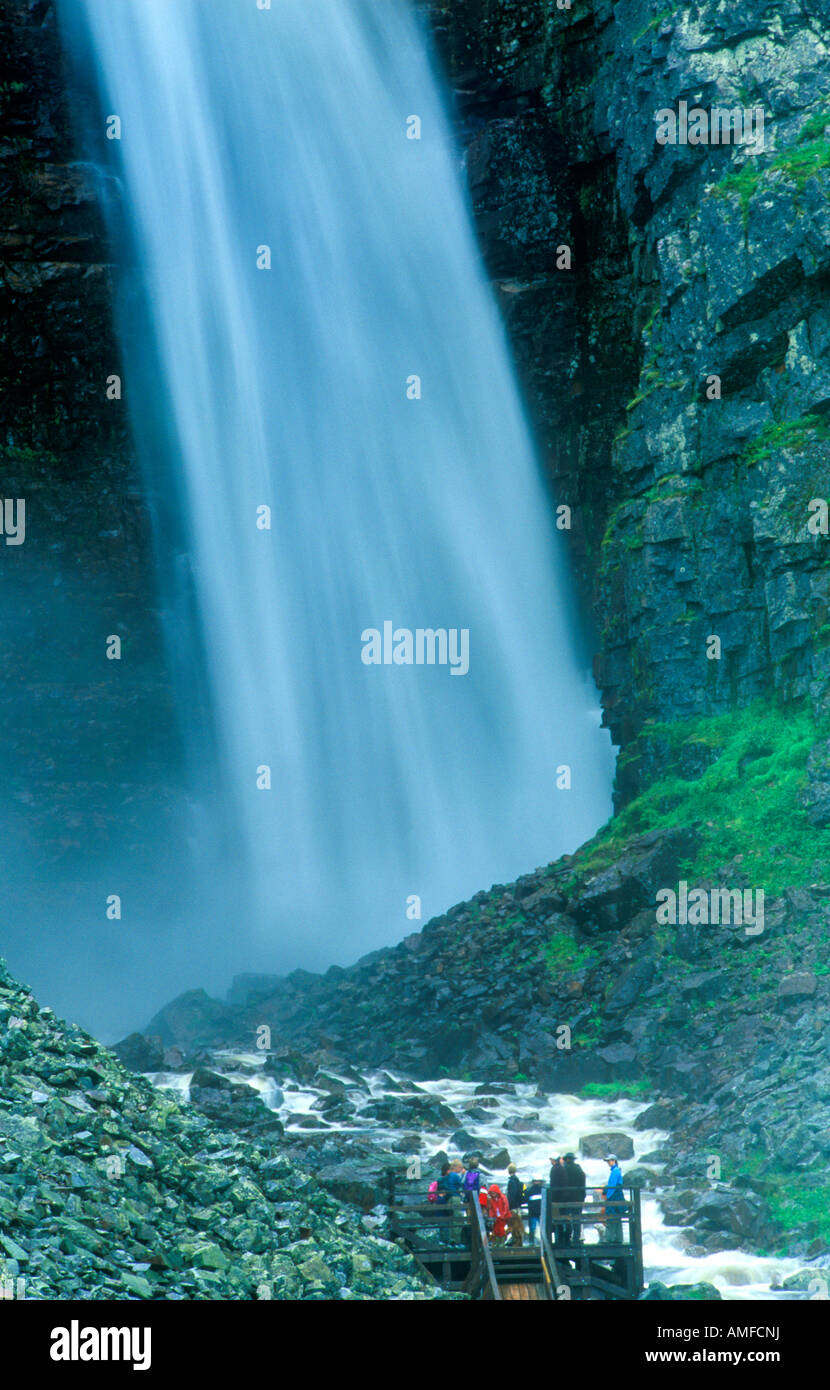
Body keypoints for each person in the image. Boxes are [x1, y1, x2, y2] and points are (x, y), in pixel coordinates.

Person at [561, 1152, 587, 1246]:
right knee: (577, 1218)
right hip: (578, 1198)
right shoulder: (578, 1169)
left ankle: (567, 1238)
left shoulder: (563, 1169)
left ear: (566, 1159)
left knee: (566, 1218)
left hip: (567, 1198)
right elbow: (583, 1183)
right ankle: (576, 1237)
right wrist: (583, 1196)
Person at [437, 1162, 465, 1244]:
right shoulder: (455, 1175)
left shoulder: (445, 1177)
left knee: (451, 1219)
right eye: (460, 1168)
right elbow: (462, 1184)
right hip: (455, 1197)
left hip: (448, 1198)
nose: (461, 1170)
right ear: (455, 1167)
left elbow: (441, 1183)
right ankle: (456, 1241)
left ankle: (449, 1239)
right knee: (458, 1219)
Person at [604, 1154, 626, 1245]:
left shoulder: (615, 1171)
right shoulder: (616, 1170)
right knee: (617, 1218)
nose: (608, 1163)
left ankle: (610, 1238)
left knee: (612, 1218)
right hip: (617, 1196)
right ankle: (619, 1238)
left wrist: (608, 1196)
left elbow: (612, 1186)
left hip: (614, 1196)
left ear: (614, 1161)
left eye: (609, 1161)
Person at [549, 1154, 569, 1248]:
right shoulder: (562, 1168)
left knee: (557, 1220)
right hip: (564, 1198)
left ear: (553, 1160)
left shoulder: (554, 1169)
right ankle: (566, 1239)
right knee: (564, 1219)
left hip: (556, 1199)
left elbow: (553, 1185)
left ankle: (559, 1240)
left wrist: (552, 1198)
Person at [525, 1178, 543, 1243]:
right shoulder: (543, 1190)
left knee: (532, 1228)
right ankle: (542, 1242)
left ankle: (531, 1242)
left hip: (533, 1212)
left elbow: (526, 1200)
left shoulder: (529, 1190)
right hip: (540, 1212)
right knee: (541, 1228)